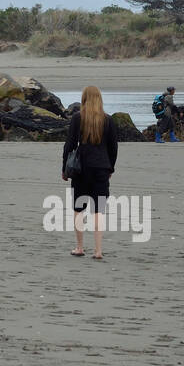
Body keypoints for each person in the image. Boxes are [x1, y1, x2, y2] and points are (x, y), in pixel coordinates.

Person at [61, 85, 119, 260]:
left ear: (84, 98)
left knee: (79, 208)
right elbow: (113, 147)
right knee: (98, 210)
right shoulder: (107, 119)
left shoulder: (78, 118)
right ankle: (98, 250)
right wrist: (111, 168)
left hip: (81, 169)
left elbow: (69, 145)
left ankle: (79, 247)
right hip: (101, 168)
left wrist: (64, 168)